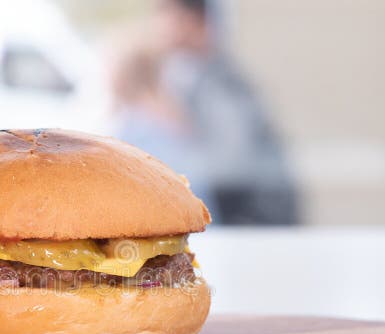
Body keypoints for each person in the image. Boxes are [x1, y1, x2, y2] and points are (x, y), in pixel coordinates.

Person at [111, 0, 297, 224]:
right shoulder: (188, 76)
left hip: (253, 219)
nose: (158, 26)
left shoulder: (224, 83)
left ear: (192, 21)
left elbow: (231, 165)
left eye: (165, 15)